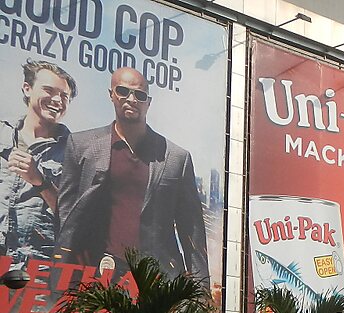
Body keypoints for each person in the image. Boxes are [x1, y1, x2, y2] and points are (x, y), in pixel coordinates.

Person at [56, 67, 207, 278]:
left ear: (148, 102)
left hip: (154, 277)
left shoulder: (175, 158)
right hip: (95, 272)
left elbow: (192, 230)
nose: (131, 99)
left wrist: (200, 291)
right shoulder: (81, 146)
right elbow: (66, 215)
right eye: (123, 91)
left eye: (139, 94)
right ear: (111, 94)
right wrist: (62, 274)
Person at [1, 59, 76, 267]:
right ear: (27, 88)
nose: (57, 100)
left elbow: (73, 216)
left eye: (64, 96)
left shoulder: (75, 151)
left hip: (35, 271)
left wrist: (39, 181)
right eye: (49, 90)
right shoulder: (2, 133)